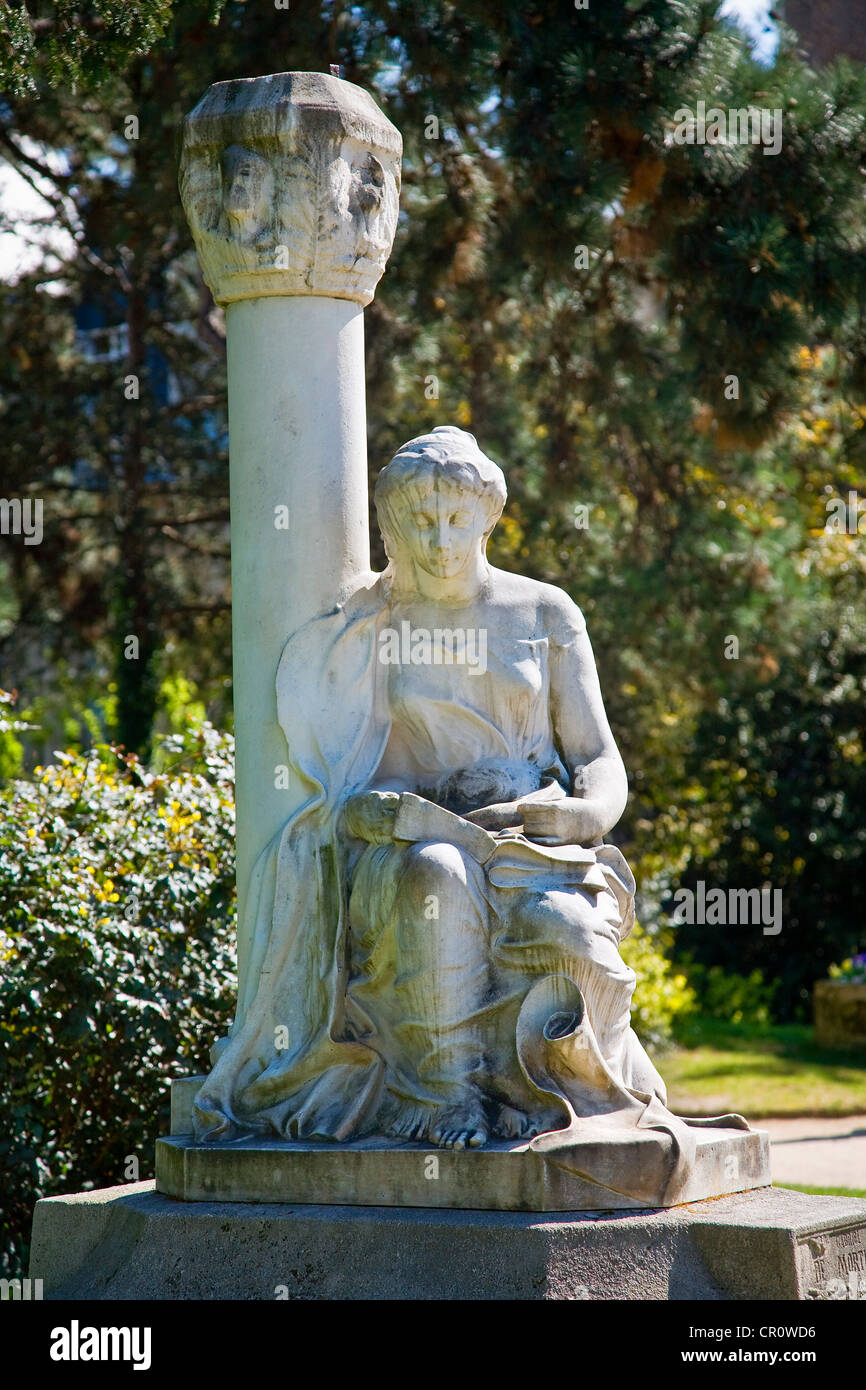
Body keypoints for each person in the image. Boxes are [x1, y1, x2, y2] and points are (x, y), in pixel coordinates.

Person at [194, 426, 666, 1148]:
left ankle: (542, 1095)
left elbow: (599, 755)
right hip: (420, 840)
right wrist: (372, 813)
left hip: (535, 842)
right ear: (392, 525)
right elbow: (344, 771)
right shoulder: (373, 626)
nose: (441, 538)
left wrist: (578, 816)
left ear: (488, 517)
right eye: (420, 521)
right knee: (435, 879)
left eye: (456, 519)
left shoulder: (544, 612)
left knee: (570, 936)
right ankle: (442, 1094)